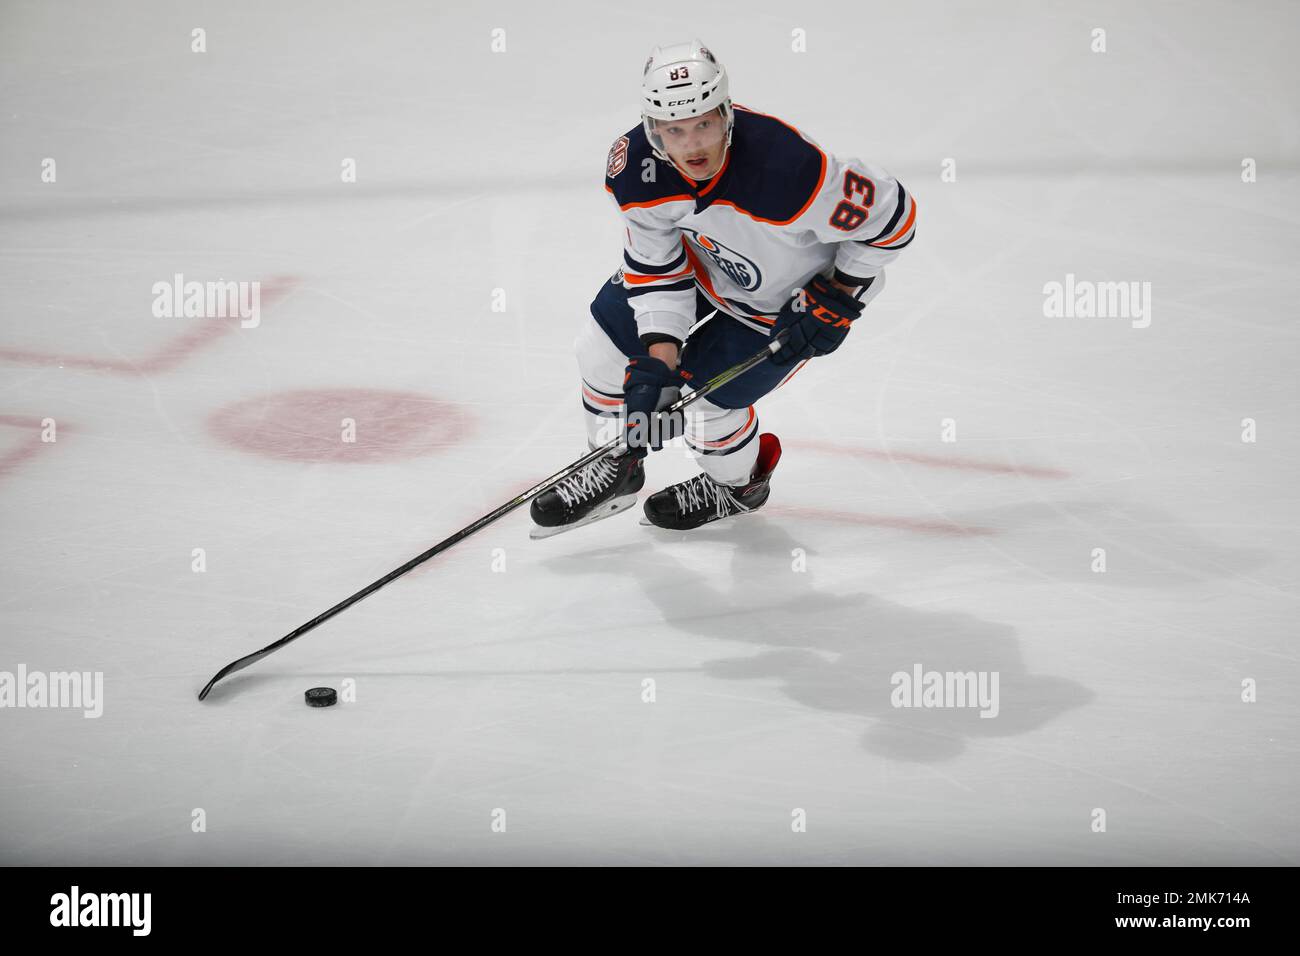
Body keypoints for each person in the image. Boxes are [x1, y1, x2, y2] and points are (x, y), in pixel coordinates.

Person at [530, 39, 916, 538]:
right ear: (653, 129)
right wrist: (657, 366)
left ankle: (739, 487)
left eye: (703, 125)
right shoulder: (637, 170)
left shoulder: (789, 168)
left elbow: (894, 217)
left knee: (708, 405)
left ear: (726, 115)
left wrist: (838, 295)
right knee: (601, 350)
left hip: (785, 300)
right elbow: (656, 268)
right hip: (704, 269)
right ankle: (615, 461)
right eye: (674, 130)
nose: (692, 146)